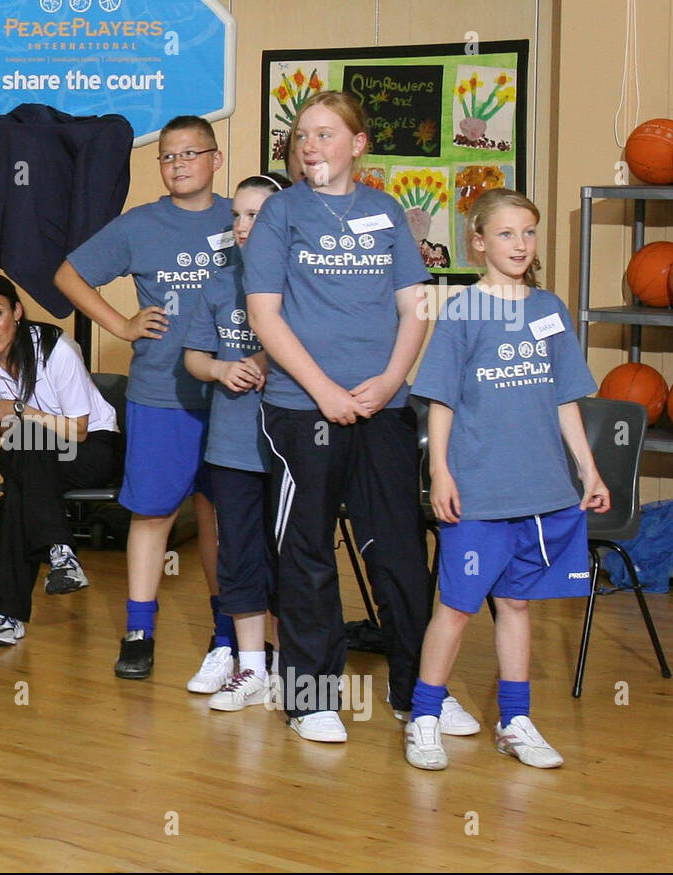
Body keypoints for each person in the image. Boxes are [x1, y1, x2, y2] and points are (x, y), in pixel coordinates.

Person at [243, 90, 476, 742]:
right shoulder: (280, 216)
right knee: (308, 552)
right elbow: (265, 315)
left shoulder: (386, 211)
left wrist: (393, 380)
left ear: (357, 144)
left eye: (325, 134)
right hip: (302, 411)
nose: (311, 146)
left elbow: (415, 308)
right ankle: (311, 697)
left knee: (401, 552)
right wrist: (324, 392)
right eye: (302, 137)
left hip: (384, 409)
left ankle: (417, 693)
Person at [406, 189, 608, 770]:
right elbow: (439, 403)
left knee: (516, 605)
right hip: (478, 492)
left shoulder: (550, 309)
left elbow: (568, 399)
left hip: (542, 491)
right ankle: (425, 715)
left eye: (528, 233)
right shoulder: (462, 312)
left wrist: (587, 471)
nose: (520, 245)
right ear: (478, 242)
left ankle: (515, 721)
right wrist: (441, 473)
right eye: (506, 234)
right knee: (457, 607)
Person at [54, 115, 234, 683]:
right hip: (162, 397)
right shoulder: (139, 225)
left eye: (190, 154)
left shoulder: (244, 218)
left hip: (233, 398)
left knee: (220, 518)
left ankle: (227, 633)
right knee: (153, 514)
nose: (179, 164)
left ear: (215, 160)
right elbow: (69, 275)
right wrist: (122, 325)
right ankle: (139, 631)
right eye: (168, 157)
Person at [0, 274, 122, 646]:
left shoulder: (55, 348)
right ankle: (61, 554)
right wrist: (5, 419)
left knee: (20, 487)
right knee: (23, 456)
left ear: (16, 311)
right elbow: (8, 434)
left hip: (91, 446)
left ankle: (5, 614)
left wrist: (17, 408)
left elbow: (78, 430)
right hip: (32, 453)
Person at [182, 173, 287, 707]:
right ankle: (251, 667)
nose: (243, 227)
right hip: (232, 445)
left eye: (256, 215)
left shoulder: (304, 279)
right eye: (238, 216)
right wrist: (222, 371)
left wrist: (265, 359)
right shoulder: (220, 282)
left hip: (291, 447)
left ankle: (294, 662)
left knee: (292, 557)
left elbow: (314, 339)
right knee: (239, 553)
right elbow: (194, 356)